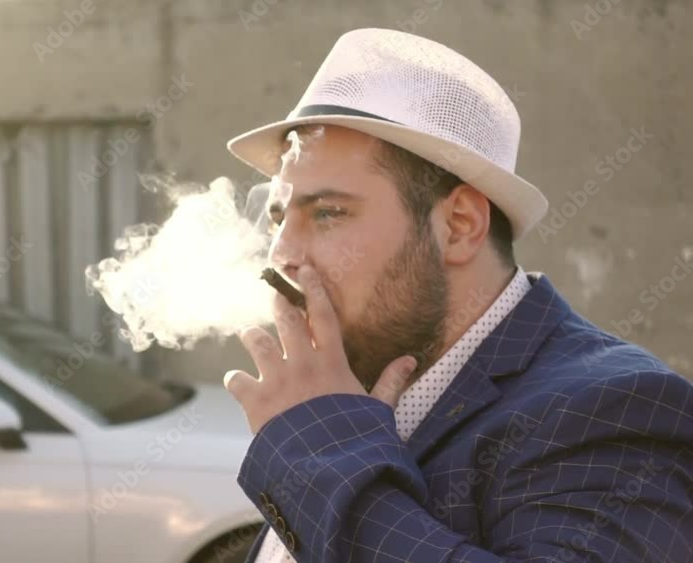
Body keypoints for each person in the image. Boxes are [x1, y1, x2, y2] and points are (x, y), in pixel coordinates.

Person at [222, 28, 693, 562]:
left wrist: (323, 451)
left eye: (328, 213)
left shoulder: (614, 409)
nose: (281, 253)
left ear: (461, 225)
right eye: (279, 218)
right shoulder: (348, 388)